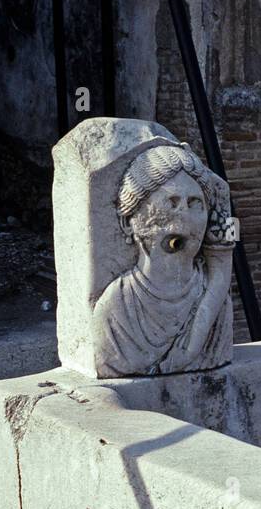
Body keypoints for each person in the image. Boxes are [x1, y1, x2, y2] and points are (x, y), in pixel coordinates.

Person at [93, 141, 235, 377]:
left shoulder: (217, 300)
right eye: (171, 203)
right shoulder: (116, 308)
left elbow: (230, 229)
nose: (185, 217)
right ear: (129, 223)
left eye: (194, 203)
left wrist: (226, 226)